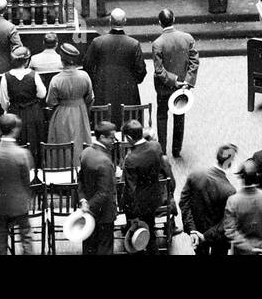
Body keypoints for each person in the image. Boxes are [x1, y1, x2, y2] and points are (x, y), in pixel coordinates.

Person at [0, 113, 36, 255]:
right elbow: (27, 180)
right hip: (19, 201)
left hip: (0, 202)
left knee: (1, 238)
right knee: (26, 237)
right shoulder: (22, 153)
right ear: (15, 130)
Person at [121, 120, 172, 254]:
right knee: (150, 230)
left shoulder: (131, 159)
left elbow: (130, 188)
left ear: (129, 138)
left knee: (138, 238)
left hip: (139, 205)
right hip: (155, 198)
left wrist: (131, 212)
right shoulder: (156, 146)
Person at [151, 9, 198, 158]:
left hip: (164, 86)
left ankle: (162, 150)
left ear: (160, 23)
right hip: (183, 86)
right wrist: (187, 81)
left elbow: (159, 70)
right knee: (179, 116)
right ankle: (176, 150)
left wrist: (173, 80)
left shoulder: (157, 43)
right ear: (174, 19)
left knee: (161, 116)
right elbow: (194, 62)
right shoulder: (187, 38)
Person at [84, 9, 146, 117]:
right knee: (128, 122)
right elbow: (141, 70)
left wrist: (97, 81)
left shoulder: (97, 42)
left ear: (109, 21)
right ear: (125, 21)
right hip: (128, 93)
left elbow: (87, 65)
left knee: (103, 122)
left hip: (103, 90)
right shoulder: (133, 44)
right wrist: (131, 81)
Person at [179, 143, 238, 256]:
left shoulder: (195, 175)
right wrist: (205, 237)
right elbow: (227, 221)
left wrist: (192, 230)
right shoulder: (230, 190)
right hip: (218, 238)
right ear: (229, 162)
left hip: (197, 230)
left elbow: (184, 202)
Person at [224, 159, 262, 255]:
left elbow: (230, 231)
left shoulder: (233, 200)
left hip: (242, 252)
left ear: (241, 177)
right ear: (257, 176)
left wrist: (249, 249)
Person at [46, 43, 94, 166]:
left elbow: (51, 101)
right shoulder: (85, 76)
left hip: (62, 114)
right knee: (81, 141)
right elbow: (90, 98)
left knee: (63, 142)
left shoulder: (56, 79)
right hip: (81, 112)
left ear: (62, 60)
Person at [0, 46, 47, 163]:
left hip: (15, 113)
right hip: (33, 113)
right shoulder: (34, 74)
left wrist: (8, 109)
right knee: (35, 139)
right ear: (27, 61)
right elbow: (42, 94)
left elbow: (4, 100)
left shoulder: (6, 76)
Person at [78, 122, 118, 255]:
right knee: (104, 249)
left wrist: (84, 201)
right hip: (104, 214)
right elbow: (104, 192)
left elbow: (80, 180)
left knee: (89, 247)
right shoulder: (105, 162)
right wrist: (89, 206)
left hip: (88, 212)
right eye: (111, 138)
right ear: (101, 137)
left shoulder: (85, 152)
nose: (114, 141)